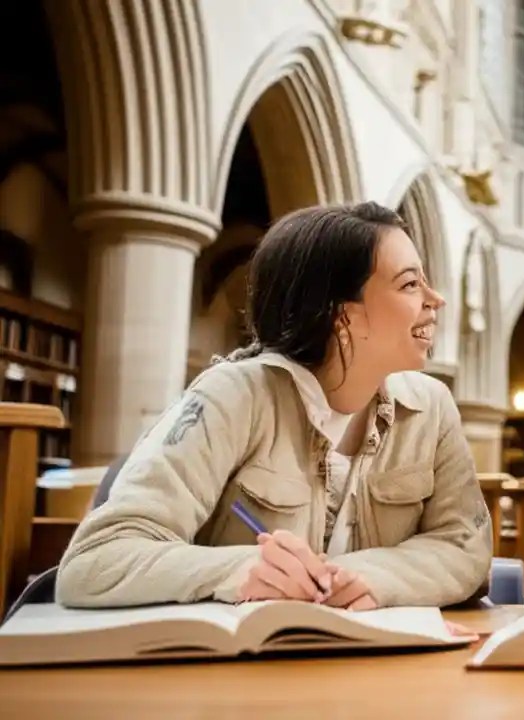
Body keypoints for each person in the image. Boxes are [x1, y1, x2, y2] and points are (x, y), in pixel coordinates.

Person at [56, 202, 493, 610]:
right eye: (410, 284)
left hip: (375, 675)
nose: (436, 301)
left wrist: (367, 578)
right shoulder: (233, 397)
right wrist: (238, 570)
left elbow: (464, 545)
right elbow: (95, 561)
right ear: (342, 315)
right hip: (232, 677)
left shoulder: (432, 408)